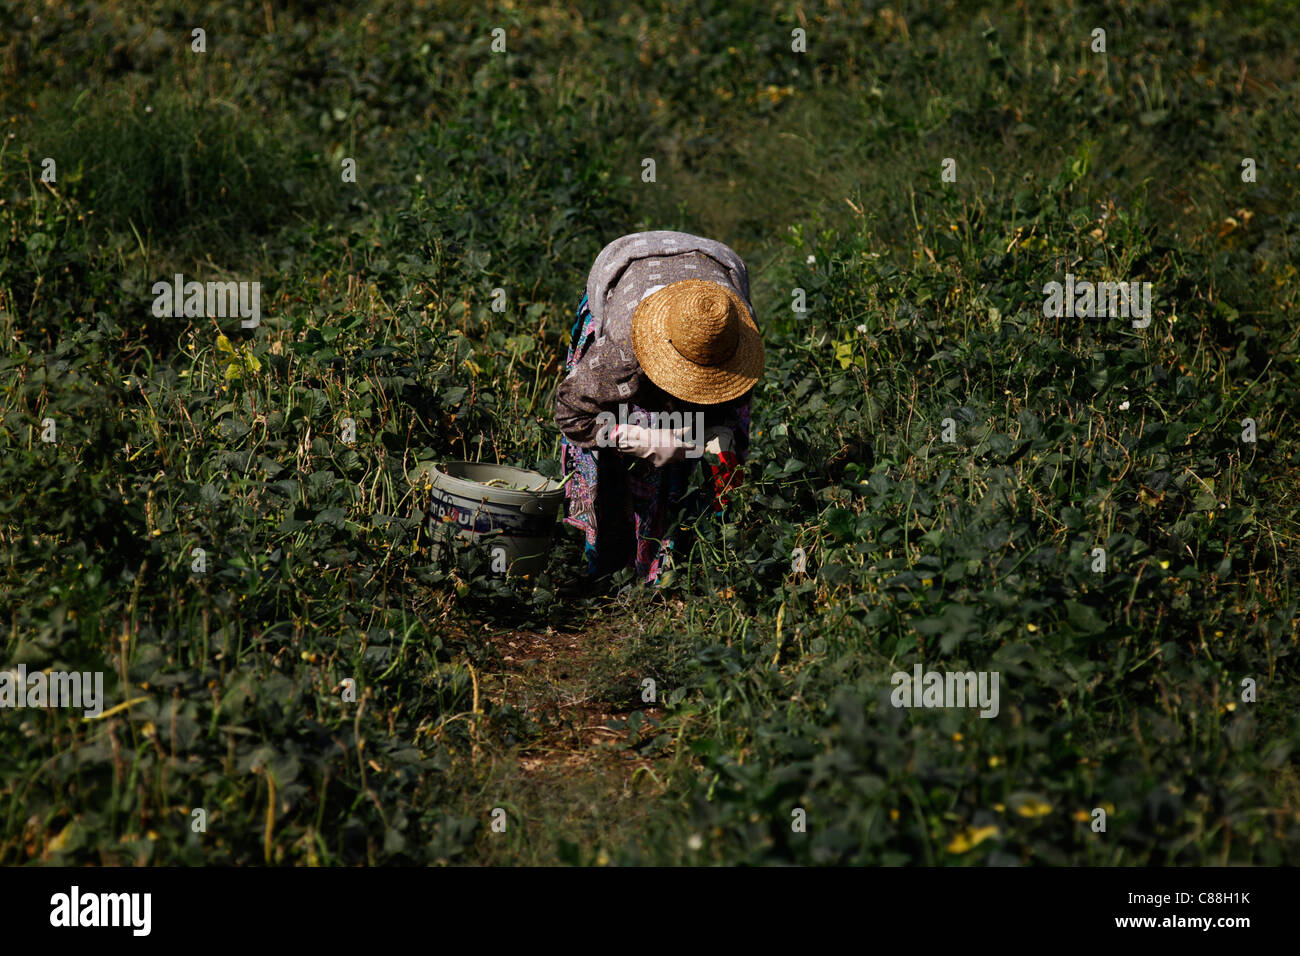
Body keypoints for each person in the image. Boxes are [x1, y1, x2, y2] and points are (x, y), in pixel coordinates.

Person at [554, 230, 764, 583]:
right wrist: (637, 439)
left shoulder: (734, 335)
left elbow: (729, 415)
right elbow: (570, 412)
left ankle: (681, 550)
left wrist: (714, 436)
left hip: (711, 264)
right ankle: (607, 549)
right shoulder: (621, 351)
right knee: (607, 447)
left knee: (711, 431)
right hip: (626, 267)